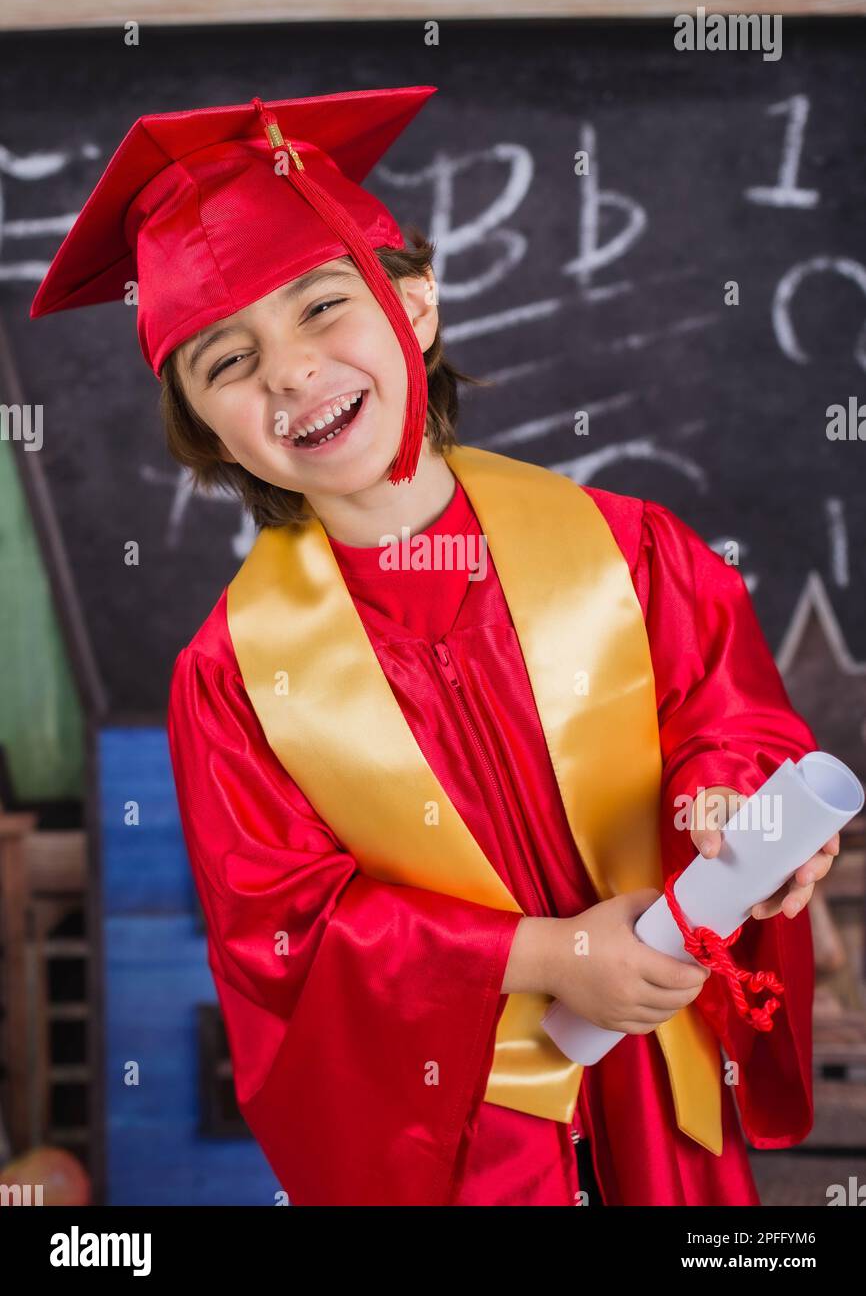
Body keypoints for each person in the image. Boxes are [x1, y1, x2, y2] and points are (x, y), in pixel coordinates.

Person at [30, 87, 838, 1207]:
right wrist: (551, 960)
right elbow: (288, 934)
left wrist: (732, 810)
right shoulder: (232, 679)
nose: (290, 372)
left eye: (321, 307)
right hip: (472, 1136)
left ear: (413, 302)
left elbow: (724, 717)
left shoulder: (625, 551)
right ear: (204, 432)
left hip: (655, 1084)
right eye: (226, 363)